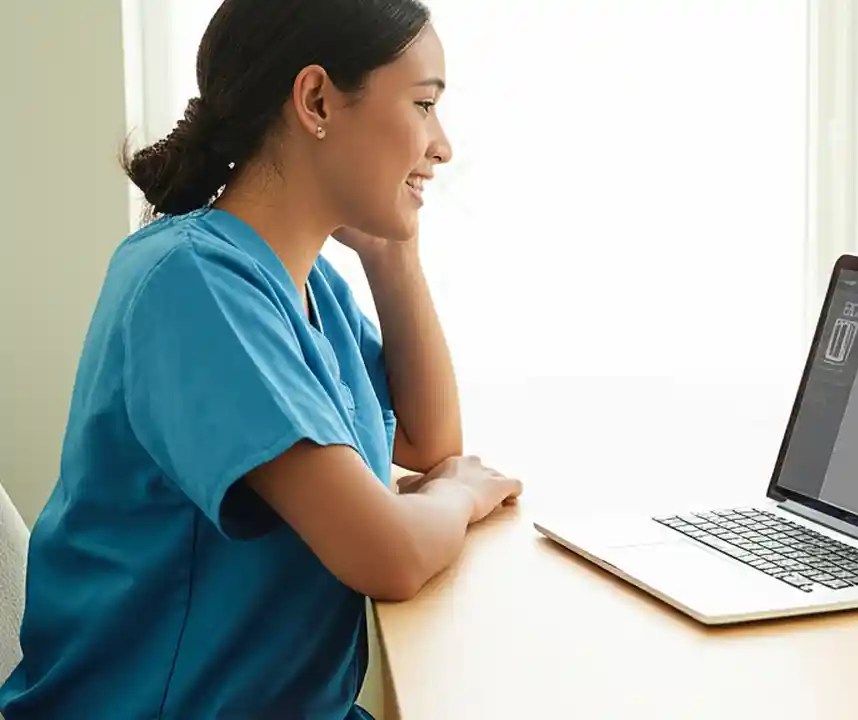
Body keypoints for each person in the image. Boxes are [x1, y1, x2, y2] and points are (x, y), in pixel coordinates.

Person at [0, 1, 523, 717]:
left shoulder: (306, 285)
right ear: (315, 101)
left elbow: (428, 442)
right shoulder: (194, 284)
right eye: (424, 105)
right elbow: (389, 556)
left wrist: (394, 255)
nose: (442, 146)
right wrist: (457, 496)